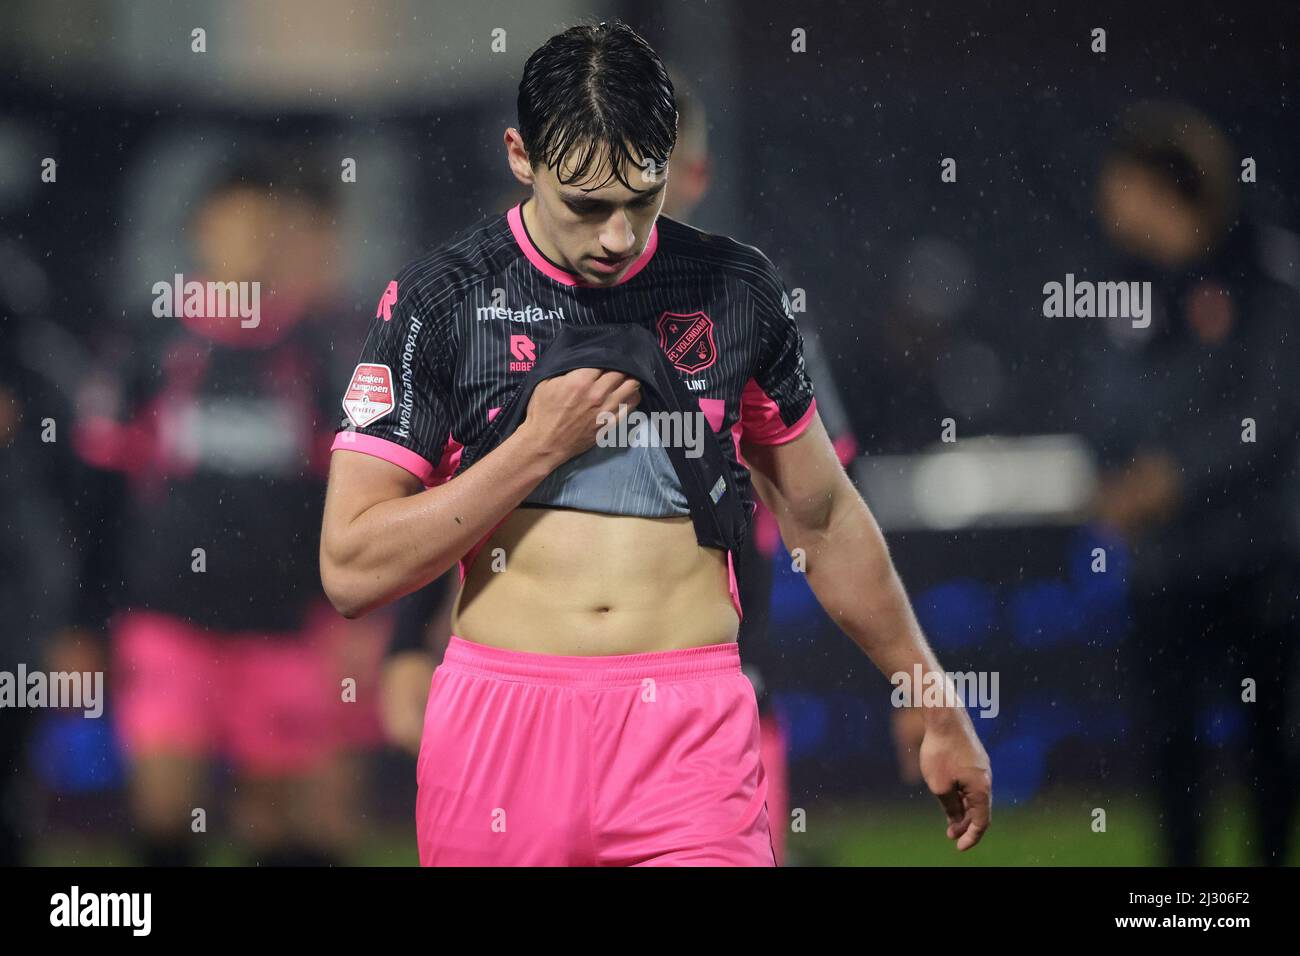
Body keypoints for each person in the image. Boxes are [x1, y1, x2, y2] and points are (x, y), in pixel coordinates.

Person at [321, 20, 990, 867]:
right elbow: (351, 566)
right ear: (520, 156)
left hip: (689, 734)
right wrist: (535, 449)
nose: (618, 236)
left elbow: (822, 521)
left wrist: (930, 694)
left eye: (644, 197)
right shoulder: (441, 299)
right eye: (587, 205)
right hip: (501, 732)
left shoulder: (737, 290)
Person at [75, 150, 377, 865]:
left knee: (278, 822)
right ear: (202, 231)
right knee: (165, 809)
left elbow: (349, 497)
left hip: (280, 624)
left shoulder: (321, 352)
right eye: (233, 223)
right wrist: (85, 619)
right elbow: (100, 495)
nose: (248, 240)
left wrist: (350, 616)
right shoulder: (151, 343)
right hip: (167, 618)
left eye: (262, 225)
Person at [1085, 100, 1300, 865]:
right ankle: (1183, 905)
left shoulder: (1267, 275)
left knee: (1270, 741)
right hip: (1164, 566)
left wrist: (1171, 478)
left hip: (1257, 561)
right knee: (1169, 747)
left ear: (1161, 186)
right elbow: (1103, 407)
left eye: (1121, 187)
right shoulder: (1124, 290)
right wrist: (1109, 480)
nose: (1109, 206)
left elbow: (1270, 418)